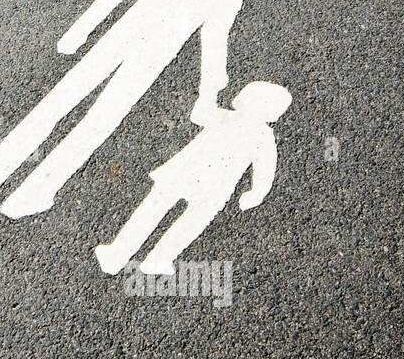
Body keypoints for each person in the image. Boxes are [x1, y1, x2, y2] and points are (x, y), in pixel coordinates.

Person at [0, 0, 263, 220]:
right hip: (155, 52)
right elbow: (215, 33)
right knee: (97, 122)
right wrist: (208, 88)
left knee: (53, 109)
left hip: (120, 40)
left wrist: (77, 35)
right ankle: (33, 193)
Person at [94, 80, 292, 276]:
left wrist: (207, 95)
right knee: (188, 222)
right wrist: (256, 192)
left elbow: (199, 115)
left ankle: (119, 254)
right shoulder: (262, 136)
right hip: (215, 185)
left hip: (186, 171)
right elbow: (265, 167)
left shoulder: (227, 117)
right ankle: (157, 259)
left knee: (153, 210)